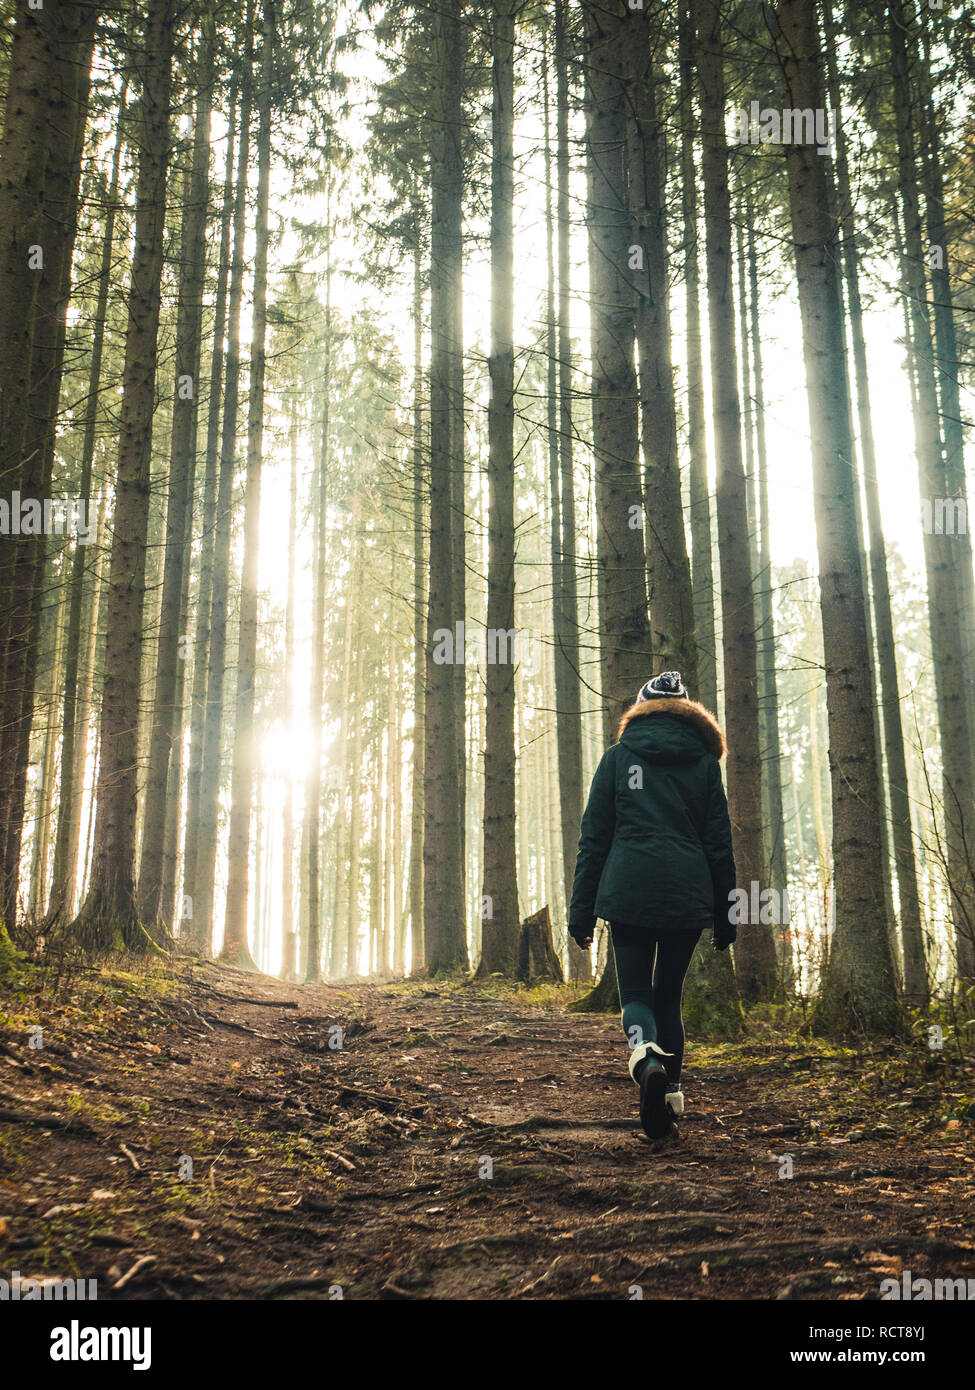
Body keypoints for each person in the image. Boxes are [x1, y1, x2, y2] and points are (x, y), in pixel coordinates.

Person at [568, 671, 736, 1141]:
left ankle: (646, 1062)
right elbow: (719, 845)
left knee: (637, 997)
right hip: (686, 892)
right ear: (688, 713)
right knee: (669, 998)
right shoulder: (705, 764)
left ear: (640, 710)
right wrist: (727, 915)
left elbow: (593, 839)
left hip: (629, 891)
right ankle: (670, 1096)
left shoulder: (618, 759)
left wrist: (581, 912)